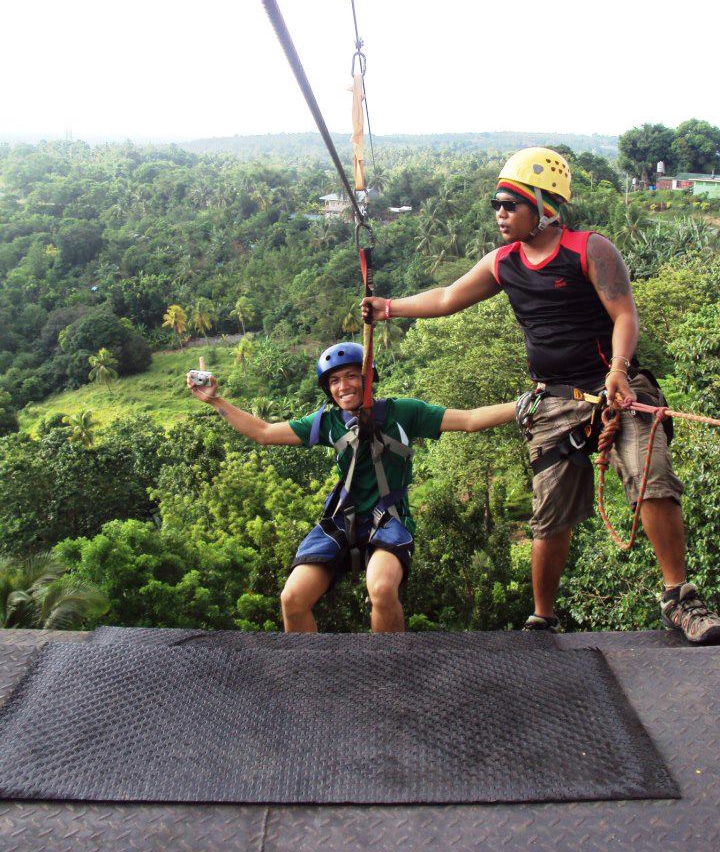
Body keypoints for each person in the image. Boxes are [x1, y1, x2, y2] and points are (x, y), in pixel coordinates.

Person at [363, 146, 720, 644]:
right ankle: (542, 617)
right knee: (549, 512)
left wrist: (618, 370)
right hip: (553, 401)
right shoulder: (503, 262)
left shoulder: (589, 249)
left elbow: (624, 316)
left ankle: (679, 597)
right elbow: (446, 298)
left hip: (614, 388)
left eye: (511, 204)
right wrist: (389, 308)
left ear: (544, 207)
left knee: (650, 473)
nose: (500, 214)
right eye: (497, 204)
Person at [188, 345, 516, 633]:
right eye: (334, 380)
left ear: (368, 378)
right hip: (342, 520)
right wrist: (216, 401)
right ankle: (308, 678)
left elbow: (470, 419)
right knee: (292, 598)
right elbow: (263, 432)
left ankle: (387, 671)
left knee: (382, 588)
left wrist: (524, 405)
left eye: (350, 376)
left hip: (388, 519)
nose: (343, 386)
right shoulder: (328, 422)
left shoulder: (404, 413)